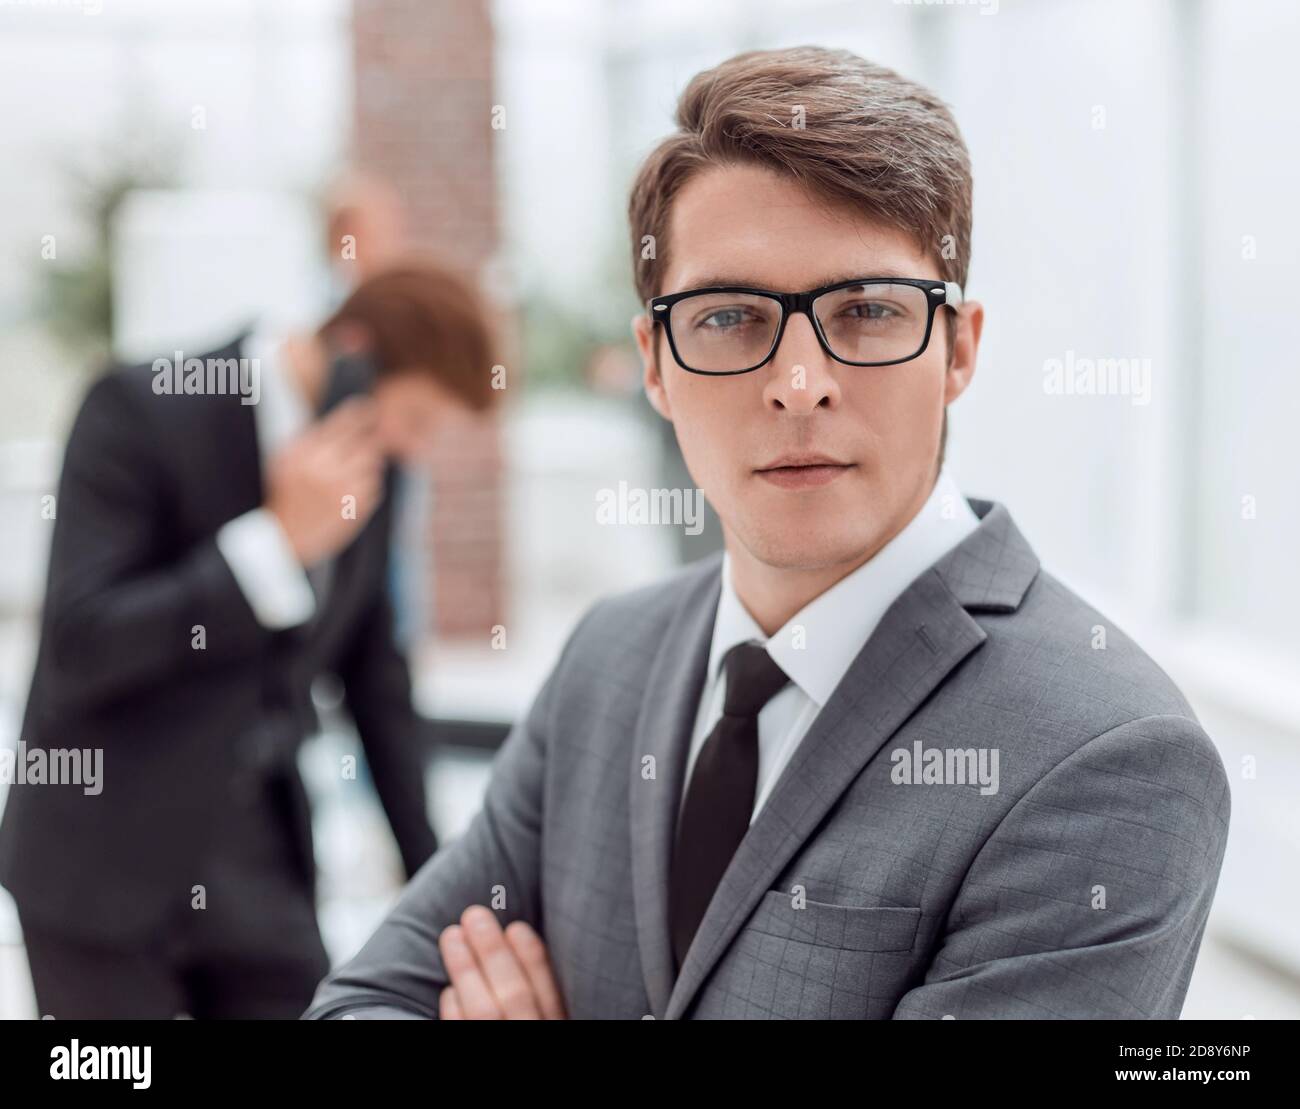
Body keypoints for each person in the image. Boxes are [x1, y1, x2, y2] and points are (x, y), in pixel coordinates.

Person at [303, 47, 1230, 1021]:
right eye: (731, 317)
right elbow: (362, 999)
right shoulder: (609, 657)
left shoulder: (1106, 753)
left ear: (957, 348)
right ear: (655, 364)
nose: (797, 381)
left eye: (865, 311)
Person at [0, 263, 496, 1018]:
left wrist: (439, 887)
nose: (414, 449)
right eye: (419, 419)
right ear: (354, 354)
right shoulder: (138, 406)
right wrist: (273, 544)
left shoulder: (377, 467)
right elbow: (82, 645)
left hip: (259, 868)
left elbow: (375, 684)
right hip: (102, 864)